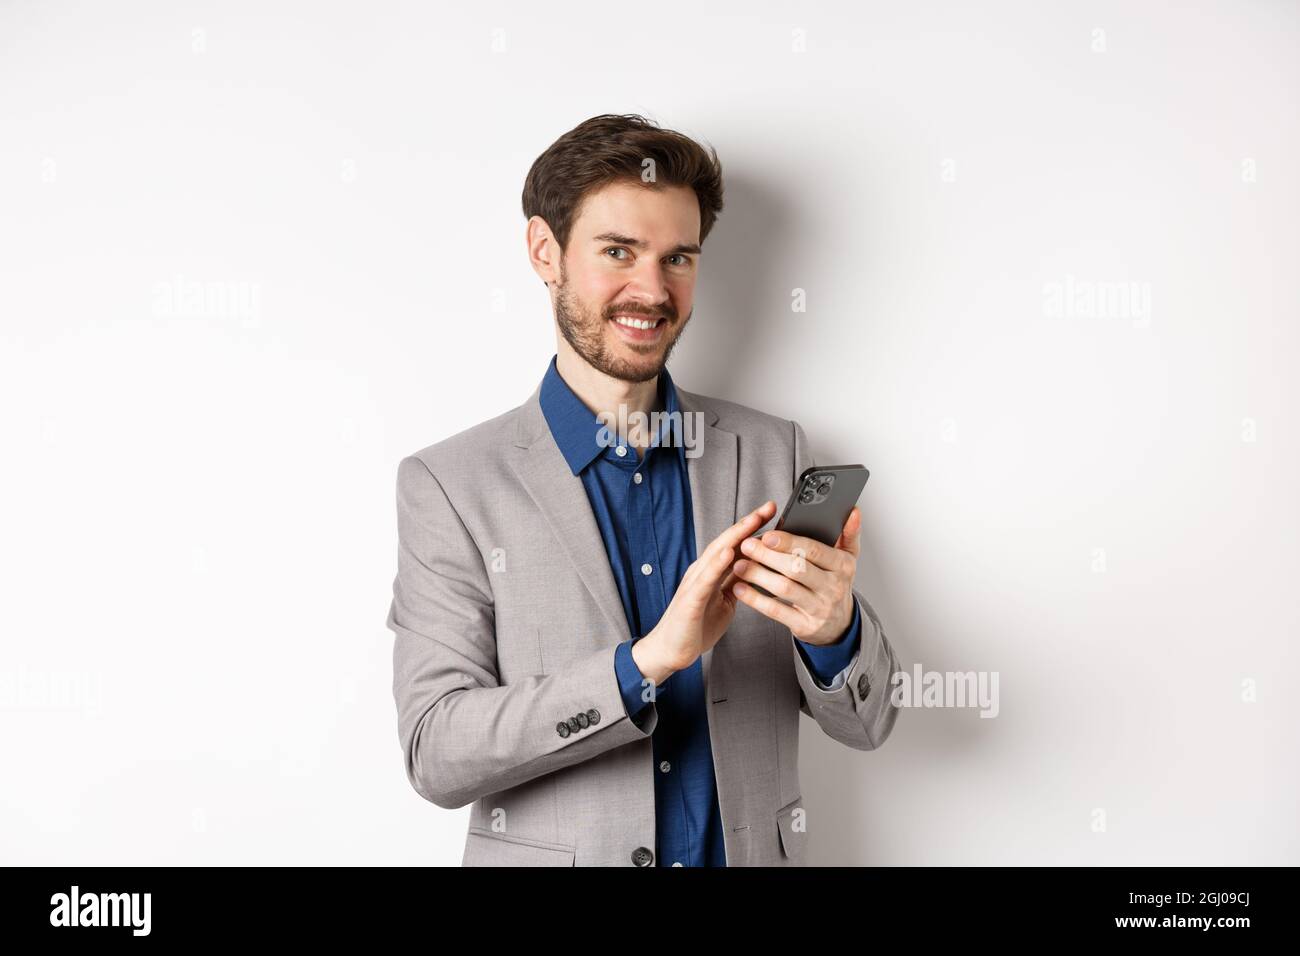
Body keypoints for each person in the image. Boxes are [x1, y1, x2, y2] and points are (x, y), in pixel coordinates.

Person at [387, 114, 901, 866]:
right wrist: (644, 665)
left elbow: (872, 723)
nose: (652, 290)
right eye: (618, 252)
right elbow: (436, 752)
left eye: (679, 258)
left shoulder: (772, 451)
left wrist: (834, 632)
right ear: (545, 252)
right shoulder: (450, 485)